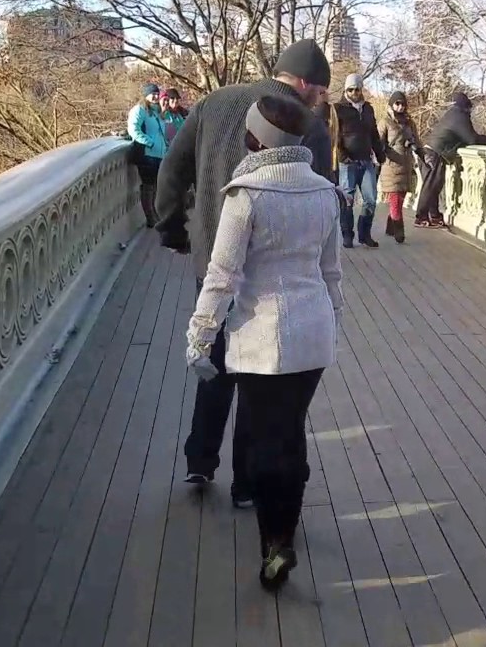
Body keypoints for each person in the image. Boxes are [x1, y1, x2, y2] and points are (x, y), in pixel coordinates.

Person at [156, 38, 333, 508]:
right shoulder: (307, 124)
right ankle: (246, 484)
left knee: (214, 360)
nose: (320, 98)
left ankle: (199, 460)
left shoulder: (213, 102)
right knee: (257, 372)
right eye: (319, 89)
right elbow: (322, 199)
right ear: (304, 82)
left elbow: (172, 169)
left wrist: (172, 229)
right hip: (270, 276)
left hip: (213, 257)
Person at [186, 95, 341, 590]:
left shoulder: (246, 194)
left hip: (261, 336)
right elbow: (331, 272)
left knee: (266, 442)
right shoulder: (324, 193)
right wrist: (331, 319)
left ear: (254, 139)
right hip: (313, 334)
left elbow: (222, 275)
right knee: (289, 428)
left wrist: (200, 335)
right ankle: (284, 531)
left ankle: (275, 544)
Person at [418, 91, 486, 228]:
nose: (471, 111)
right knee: (431, 186)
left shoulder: (450, 114)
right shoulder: (460, 116)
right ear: (466, 106)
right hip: (435, 153)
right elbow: (472, 139)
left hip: (427, 150)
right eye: (470, 108)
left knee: (433, 186)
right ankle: (421, 216)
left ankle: (434, 216)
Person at [330, 73, 386, 248]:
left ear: (361, 89)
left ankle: (365, 234)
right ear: (346, 90)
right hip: (347, 161)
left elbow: (374, 133)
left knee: (370, 198)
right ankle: (347, 234)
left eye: (357, 89)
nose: (354, 92)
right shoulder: (338, 108)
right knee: (348, 198)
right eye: (350, 89)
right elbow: (335, 135)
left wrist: (380, 153)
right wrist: (342, 156)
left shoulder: (368, 109)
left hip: (366, 159)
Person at [377, 91, 422, 244]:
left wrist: (421, 153)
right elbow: (378, 142)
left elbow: (417, 140)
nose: (400, 107)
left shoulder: (410, 123)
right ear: (391, 104)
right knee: (395, 199)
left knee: (400, 198)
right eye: (397, 103)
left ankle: (390, 227)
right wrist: (381, 154)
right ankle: (399, 231)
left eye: (403, 104)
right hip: (391, 166)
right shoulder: (385, 122)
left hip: (406, 164)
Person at [128, 84, 169, 227]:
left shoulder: (157, 111)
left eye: (157, 94)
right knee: (148, 186)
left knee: (156, 186)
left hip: (160, 154)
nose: (156, 97)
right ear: (145, 95)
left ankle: (155, 213)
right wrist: (149, 142)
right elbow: (133, 129)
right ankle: (150, 217)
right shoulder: (139, 110)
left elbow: (161, 132)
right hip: (146, 154)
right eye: (153, 94)